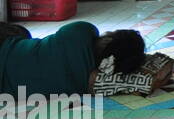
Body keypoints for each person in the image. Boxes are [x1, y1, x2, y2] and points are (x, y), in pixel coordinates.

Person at [0, 22, 147, 96]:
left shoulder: (80, 32)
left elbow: (90, 30)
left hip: (5, 49)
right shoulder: (86, 84)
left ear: (108, 40)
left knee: (19, 31)